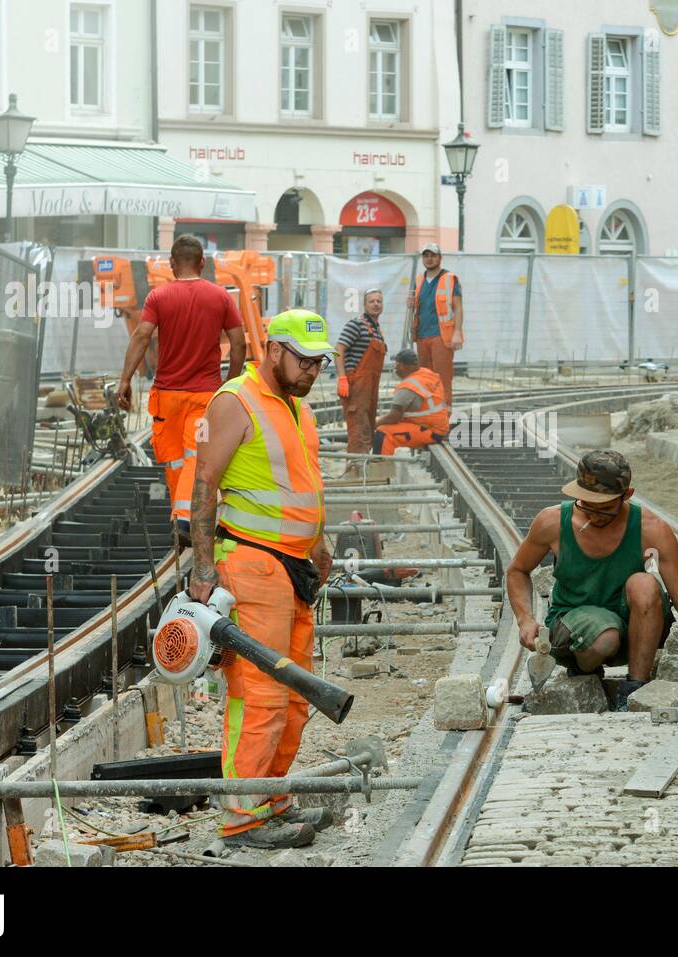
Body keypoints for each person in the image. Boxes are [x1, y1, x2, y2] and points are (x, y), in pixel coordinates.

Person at [188, 309, 335, 849]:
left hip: (293, 567)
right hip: (252, 564)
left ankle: (272, 799)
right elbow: (205, 484)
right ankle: (244, 817)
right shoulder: (236, 401)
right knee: (260, 694)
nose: (312, 371)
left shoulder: (298, 407)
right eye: (303, 360)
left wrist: (317, 541)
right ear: (273, 350)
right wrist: (204, 567)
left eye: (318, 362)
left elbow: (299, 484)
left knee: (295, 695)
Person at [506, 450, 678, 712]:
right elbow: (517, 570)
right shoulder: (552, 522)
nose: (594, 515)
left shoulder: (651, 529)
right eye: (586, 504)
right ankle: (584, 670)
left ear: (627, 495)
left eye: (604, 509)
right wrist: (525, 618)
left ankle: (635, 689)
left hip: (634, 632)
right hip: (572, 629)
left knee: (645, 584)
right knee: (605, 634)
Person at [117, 235, 247, 536]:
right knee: (193, 456)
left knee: (176, 460)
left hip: (167, 397)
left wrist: (125, 380)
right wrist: (231, 384)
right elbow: (239, 343)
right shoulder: (221, 297)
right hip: (205, 395)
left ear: (172, 264)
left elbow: (141, 336)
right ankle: (185, 515)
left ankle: (181, 516)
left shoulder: (158, 298)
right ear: (202, 262)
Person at [405, 243, 463, 407]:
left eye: (433, 255)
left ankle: (444, 413)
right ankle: (429, 412)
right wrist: (411, 303)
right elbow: (420, 304)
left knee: (442, 377)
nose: (429, 259)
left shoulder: (450, 279)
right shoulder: (419, 280)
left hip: (441, 336)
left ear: (440, 257)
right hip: (422, 336)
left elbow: (458, 307)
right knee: (425, 377)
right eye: (426, 255)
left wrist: (457, 332)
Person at [335, 288, 387, 458]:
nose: (376, 304)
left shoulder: (378, 330)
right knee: (358, 428)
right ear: (364, 305)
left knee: (367, 428)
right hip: (357, 384)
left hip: (370, 387)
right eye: (372, 301)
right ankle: (355, 471)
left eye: (379, 301)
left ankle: (361, 469)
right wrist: (342, 377)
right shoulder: (356, 324)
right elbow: (339, 349)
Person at [372, 349, 450, 455]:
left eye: (397, 364)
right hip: (437, 428)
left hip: (430, 431)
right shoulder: (426, 374)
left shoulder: (408, 387)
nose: (395, 368)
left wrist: (372, 426)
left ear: (403, 366)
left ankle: (379, 466)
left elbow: (394, 417)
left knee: (383, 432)